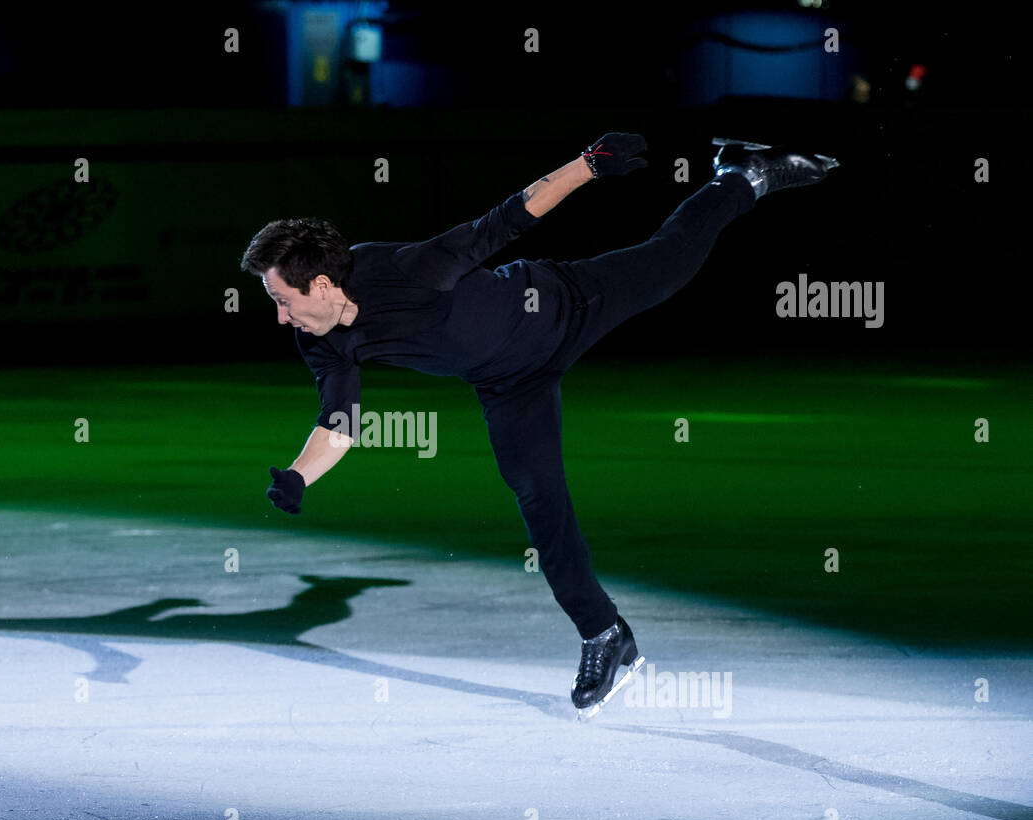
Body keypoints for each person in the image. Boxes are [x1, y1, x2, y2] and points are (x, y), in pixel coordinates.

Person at [239, 134, 838, 720]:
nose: (280, 314)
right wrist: (299, 476)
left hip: (565, 304)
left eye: (282, 298)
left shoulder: (405, 268)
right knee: (537, 498)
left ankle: (742, 173)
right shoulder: (318, 338)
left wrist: (589, 165)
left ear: (321, 284)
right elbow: (341, 420)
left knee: (674, 260)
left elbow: (506, 219)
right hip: (509, 385)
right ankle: (604, 632)